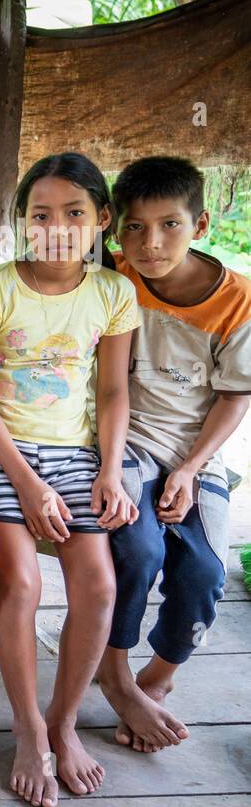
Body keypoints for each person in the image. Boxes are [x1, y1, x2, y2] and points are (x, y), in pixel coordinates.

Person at [0, 152, 139, 807]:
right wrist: (27, 484)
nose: (57, 227)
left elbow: (115, 390)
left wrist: (111, 470)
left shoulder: (113, 294)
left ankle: (64, 722)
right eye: (41, 215)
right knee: (22, 581)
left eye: (74, 213)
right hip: (1, 451)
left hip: (75, 454)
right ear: (21, 223)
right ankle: (28, 726)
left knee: (99, 583)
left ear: (101, 221)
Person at [96, 156, 250, 753]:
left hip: (198, 454)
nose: (150, 243)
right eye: (134, 227)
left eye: (169, 225)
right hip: (126, 439)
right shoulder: (114, 277)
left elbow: (235, 400)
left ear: (201, 224)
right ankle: (112, 668)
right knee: (137, 547)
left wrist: (188, 470)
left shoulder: (236, 301)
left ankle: (157, 679)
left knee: (207, 571)